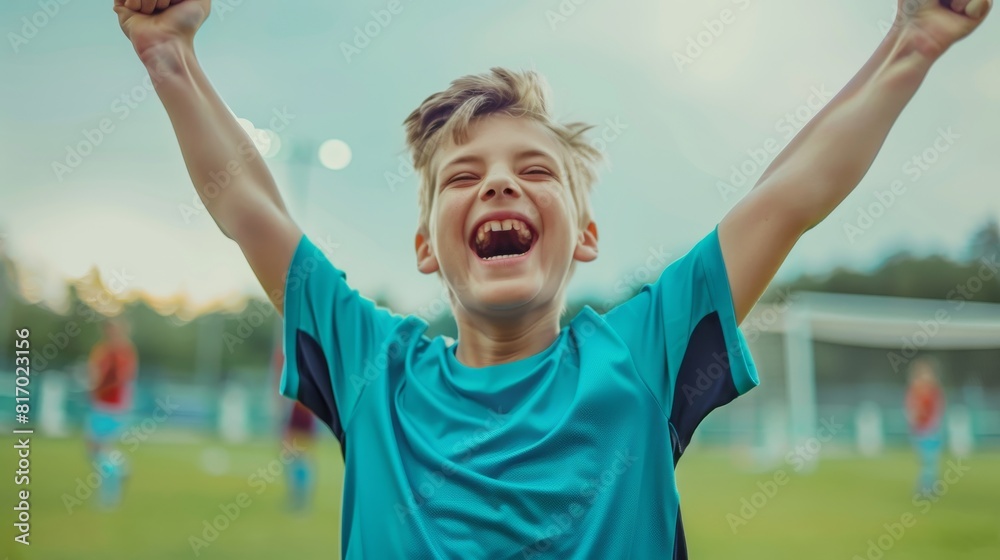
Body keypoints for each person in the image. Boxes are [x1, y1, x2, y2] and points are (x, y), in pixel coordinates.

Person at [111, 0, 991, 556]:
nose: (498, 182)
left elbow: (789, 196)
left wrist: (911, 42)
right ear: (427, 248)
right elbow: (250, 207)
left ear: (587, 235)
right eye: (463, 177)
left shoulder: (638, 355)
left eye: (535, 171)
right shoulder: (373, 368)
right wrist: (170, 61)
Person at [86, 317, 138, 509]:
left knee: (101, 448)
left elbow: (123, 379)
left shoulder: (124, 352)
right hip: (100, 404)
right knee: (94, 449)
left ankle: (109, 498)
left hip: (113, 407)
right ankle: (121, 466)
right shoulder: (102, 350)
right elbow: (93, 372)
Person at [272, 342, 317, 512]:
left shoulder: (304, 364)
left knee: (298, 458)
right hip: (298, 414)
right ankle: (298, 496)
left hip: (301, 416)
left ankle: (300, 497)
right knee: (294, 457)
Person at [905, 358, 946, 497]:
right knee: (927, 459)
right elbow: (911, 410)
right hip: (921, 430)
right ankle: (926, 486)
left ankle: (927, 486)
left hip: (930, 429)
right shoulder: (916, 391)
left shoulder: (933, 391)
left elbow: (938, 409)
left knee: (930, 459)